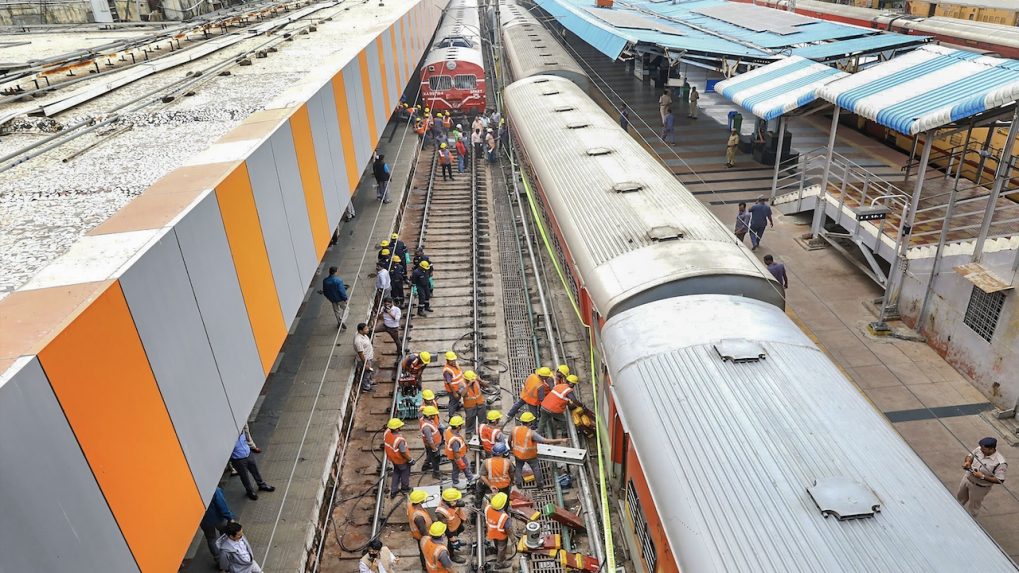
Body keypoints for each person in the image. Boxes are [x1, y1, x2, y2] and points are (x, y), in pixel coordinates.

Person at [511, 412, 567, 487]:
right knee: (536, 469)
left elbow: (509, 440)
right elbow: (545, 441)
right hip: (530, 455)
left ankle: (518, 484)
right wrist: (561, 440)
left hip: (518, 454)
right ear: (530, 423)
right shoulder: (531, 433)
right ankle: (540, 484)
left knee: (518, 468)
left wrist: (512, 449)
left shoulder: (515, 429)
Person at [957, 437, 1007, 517]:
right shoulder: (979, 449)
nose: (981, 450)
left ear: (991, 449)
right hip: (967, 479)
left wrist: (982, 476)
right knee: (959, 499)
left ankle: (970, 523)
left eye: (984, 449)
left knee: (973, 508)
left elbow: (1000, 480)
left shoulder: (1000, 463)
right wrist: (968, 462)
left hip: (979, 487)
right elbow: (969, 456)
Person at [230, 433, 274, 501]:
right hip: (238, 459)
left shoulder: (242, 433)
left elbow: (248, 440)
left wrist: (252, 448)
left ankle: (262, 485)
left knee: (255, 471)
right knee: (244, 476)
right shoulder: (230, 439)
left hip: (248, 454)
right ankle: (250, 491)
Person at [538, 374, 583, 438]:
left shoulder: (559, 386)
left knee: (542, 422)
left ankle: (537, 435)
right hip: (553, 409)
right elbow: (574, 400)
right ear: (571, 383)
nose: (574, 386)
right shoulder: (568, 390)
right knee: (563, 420)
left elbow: (560, 398)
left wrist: (568, 403)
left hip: (544, 406)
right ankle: (564, 434)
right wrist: (581, 405)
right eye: (574, 384)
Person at [201, 487, 236, 562]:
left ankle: (218, 560)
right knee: (225, 534)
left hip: (204, 521)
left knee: (211, 539)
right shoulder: (214, 489)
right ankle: (228, 554)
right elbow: (222, 505)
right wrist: (229, 517)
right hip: (218, 518)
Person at [435, 488, 468, 563]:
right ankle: (452, 555)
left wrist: (457, 503)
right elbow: (445, 528)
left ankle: (456, 539)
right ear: (449, 501)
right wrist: (451, 537)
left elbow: (460, 504)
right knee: (451, 542)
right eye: (456, 499)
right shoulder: (440, 512)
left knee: (461, 529)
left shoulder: (451, 501)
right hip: (451, 529)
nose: (457, 500)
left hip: (457, 523)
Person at [384, 418, 413, 498]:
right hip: (401, 460)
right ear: (396, 428)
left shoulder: (387, 433)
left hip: (393, 459)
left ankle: (394, 490)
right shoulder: (399, 440)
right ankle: (405, 488)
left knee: (396, 472)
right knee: (405, 474)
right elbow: (403, 452)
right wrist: (410, 460)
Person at [407, 489, 434, 569]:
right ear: (419, 501)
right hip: (422, 536)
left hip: (417, 534)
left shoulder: (411, 505)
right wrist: (429, 538)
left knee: (423, 550)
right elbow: (423, 531)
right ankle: (425, 567)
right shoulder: (418, 517)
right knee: (425, 551)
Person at [444, 416, 475, 486]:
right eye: (461, 425)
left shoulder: (449, 430)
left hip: (453, 456)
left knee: (458, 468)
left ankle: (460, 480)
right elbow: (456, 453)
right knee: (462, 467)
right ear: (458, 427)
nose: (461, 426)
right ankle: (468, 479)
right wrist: (460, 462)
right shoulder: (455, 441)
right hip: (458, 457)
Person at [485, 492, 512, 567]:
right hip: (501, 536)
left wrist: (493, 495)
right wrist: (513, 539)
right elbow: (508, 529)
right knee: (502, 548)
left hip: (491, 532)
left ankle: (498, 552)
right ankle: (500, 563)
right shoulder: (504, 517)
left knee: (496, 544)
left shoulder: (487, 508)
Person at [461, 369, 491, 439]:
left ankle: (484, 431)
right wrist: (468, 385)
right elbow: (462, 394)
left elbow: (487, 386)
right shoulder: (462, 384)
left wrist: (480, 380)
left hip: (480, 404)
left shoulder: (476, 380)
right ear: (467, 380)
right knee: (470, 420)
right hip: (470, 406)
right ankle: (469, 432)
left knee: (483, 420)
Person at [419, 405, 444, 479]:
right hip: (433, 446)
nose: (434, 416)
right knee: (435, 459)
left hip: (432, 445)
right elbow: (430, 440)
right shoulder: (426, 427)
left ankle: (426, 465)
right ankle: (436, 473)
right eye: (433, 415)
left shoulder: (424, 419)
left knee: (430, 455)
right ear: (429, 416)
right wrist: (435, 449)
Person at [442, 351, 465, 417]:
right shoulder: (447, 371)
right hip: (453, 390)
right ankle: (451, 415)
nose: (453, 362)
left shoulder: (455, 364)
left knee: (457, 400)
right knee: (453, 402)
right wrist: (454, 393)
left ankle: (457, 406)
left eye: (454, 360)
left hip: (459, 387)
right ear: (447, 361)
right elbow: (450, 383)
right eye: (451, 361)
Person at [354, 322, 375, 392]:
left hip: (369, 357)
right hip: (365, 359)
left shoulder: (364, 335)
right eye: (365, 329)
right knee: (366, 372)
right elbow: (360, 353)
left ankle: (369, 382)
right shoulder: (358, 341)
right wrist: (365, 363)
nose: (367, 330)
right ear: (360, 331)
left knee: (368, 372)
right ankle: (366, 387)